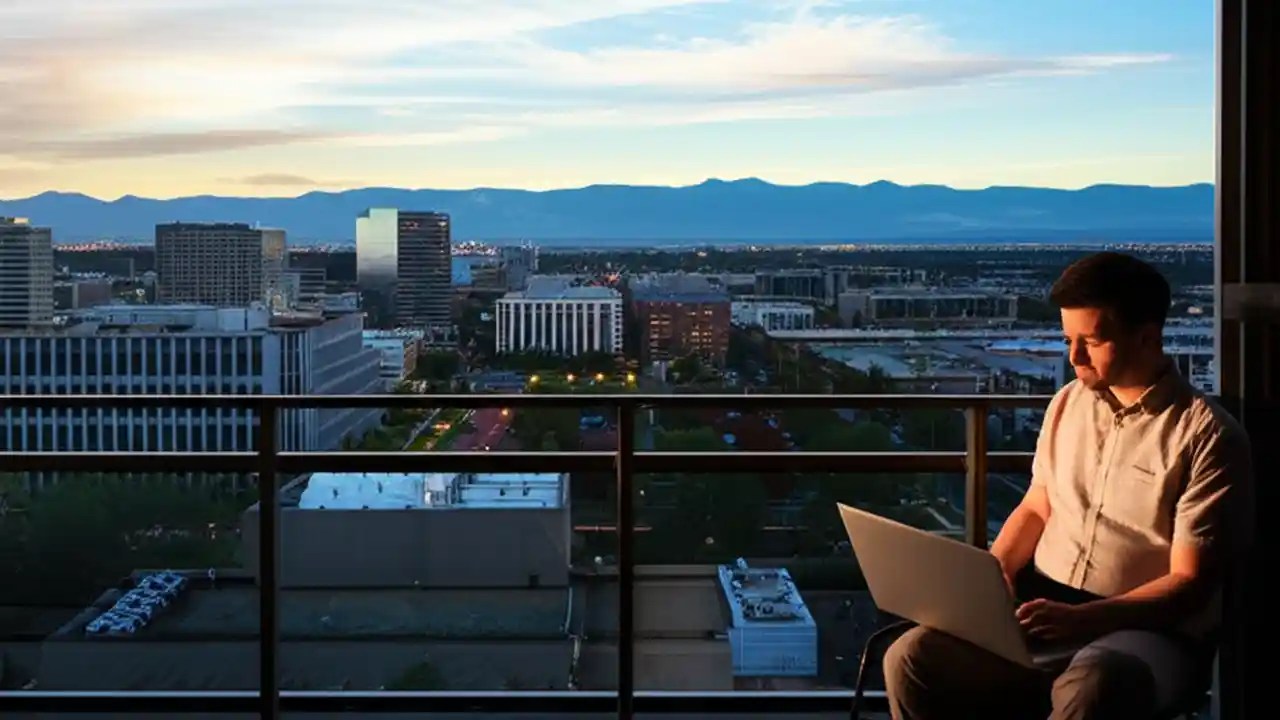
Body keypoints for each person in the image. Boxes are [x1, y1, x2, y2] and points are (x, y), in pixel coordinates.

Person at [882, 252, 1254, 720]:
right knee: (911, 658)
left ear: (1148, 338)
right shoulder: (1068, 404)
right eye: (1067, 339)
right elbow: (1038, 506)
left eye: (1091, 342)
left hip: (1152, 630)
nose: (1073, 357)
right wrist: (994, 574)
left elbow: (1190, 583)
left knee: (1096, 683)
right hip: (1046, 611)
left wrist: (1084, 620)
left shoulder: (1206, 436)